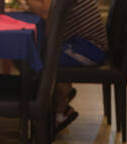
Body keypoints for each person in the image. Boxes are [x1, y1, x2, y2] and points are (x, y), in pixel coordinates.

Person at [28, 0, 110, 131]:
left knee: (38, 57)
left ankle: (60, 110)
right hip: (79, 44)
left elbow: (46, 13)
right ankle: (59, 95)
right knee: (38, 51)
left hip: (89, 49)